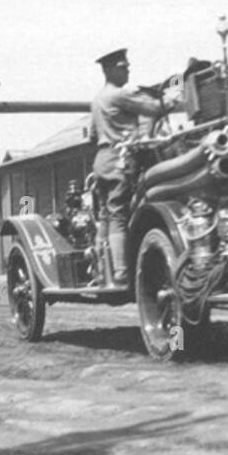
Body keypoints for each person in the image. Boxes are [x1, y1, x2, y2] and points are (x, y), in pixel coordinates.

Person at [87, 47, 180, 285]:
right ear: (108, 70)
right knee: (119, 215)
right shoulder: (119, 95)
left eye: (127, 64)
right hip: (121, 159)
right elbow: (155, 108)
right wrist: (174, 94)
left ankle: (101, 269)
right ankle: (121, 272)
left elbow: (92, 136)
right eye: (122, 66)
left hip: (102, 159)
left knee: (107, 214)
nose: (127, 67)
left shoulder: (97, 100)